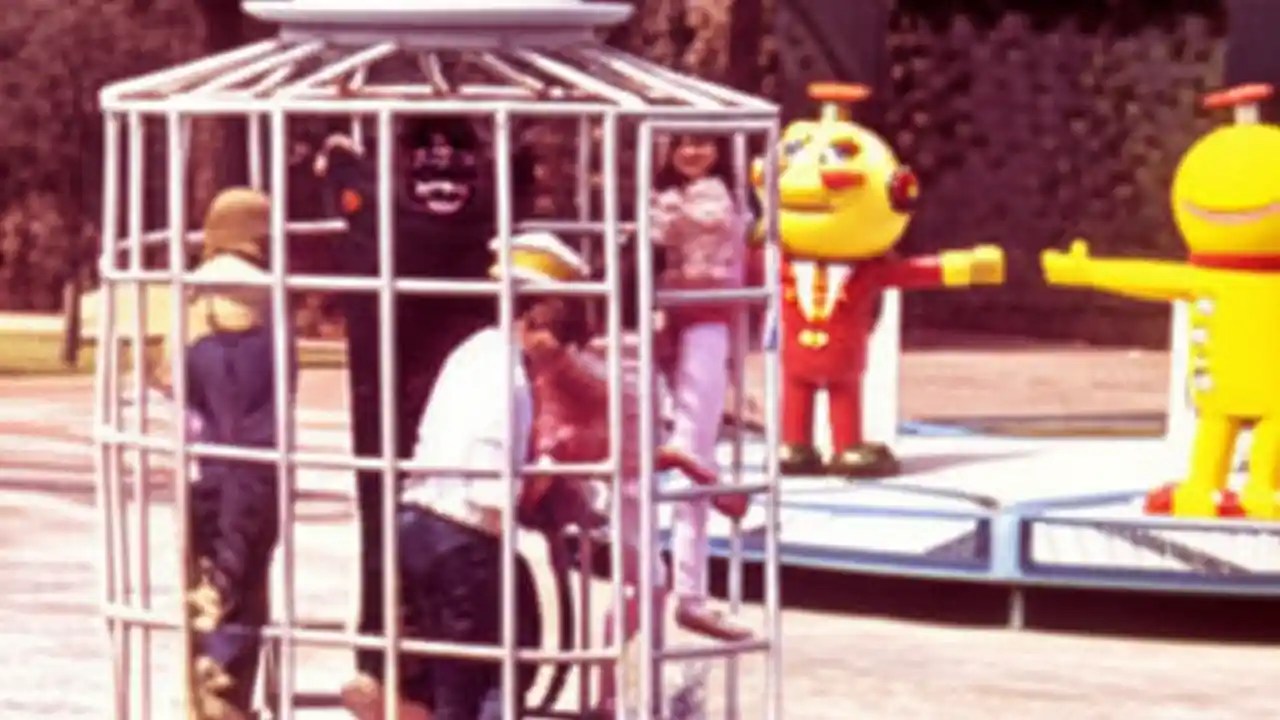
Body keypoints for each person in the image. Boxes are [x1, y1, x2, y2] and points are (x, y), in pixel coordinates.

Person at [314, 116, 538, 685]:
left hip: (395, 396)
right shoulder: (488, 223)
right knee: (463, 537)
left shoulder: (386, 223)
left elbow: (358, 215)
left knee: (391, 528)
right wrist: (516, 161)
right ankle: (446, 673)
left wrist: (343, 167)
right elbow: (511, 198)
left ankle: (392, 664)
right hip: (459, 403)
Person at [340, 231, 591, 720]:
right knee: (488, 670)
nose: (559, 356)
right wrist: (535, 485)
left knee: (448, 662)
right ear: (537, 321)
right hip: (461, 533)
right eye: (559, 339)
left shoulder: (474, 350)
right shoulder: (507, 375)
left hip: (419, 521)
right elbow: (489, 479)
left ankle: (406, 704)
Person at [153, 187, 297, 719]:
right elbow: (287, 382)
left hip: (204, 464)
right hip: (257, 462)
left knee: (206, 579)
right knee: (247, 581)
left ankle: (206, 674)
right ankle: (230, 686)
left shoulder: (191, 294)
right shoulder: (273, 295)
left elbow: (167, 376)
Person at [649, 134, 753, 641]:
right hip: (660, 317)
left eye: (703, 143)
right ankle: (661, 583)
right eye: (683, 144)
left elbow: (704, 224)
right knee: (655, 445)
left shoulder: (721, 195)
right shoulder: (661, 196)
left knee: (695, 442)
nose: (693, 153)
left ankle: (690, 591)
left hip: (708, 316)